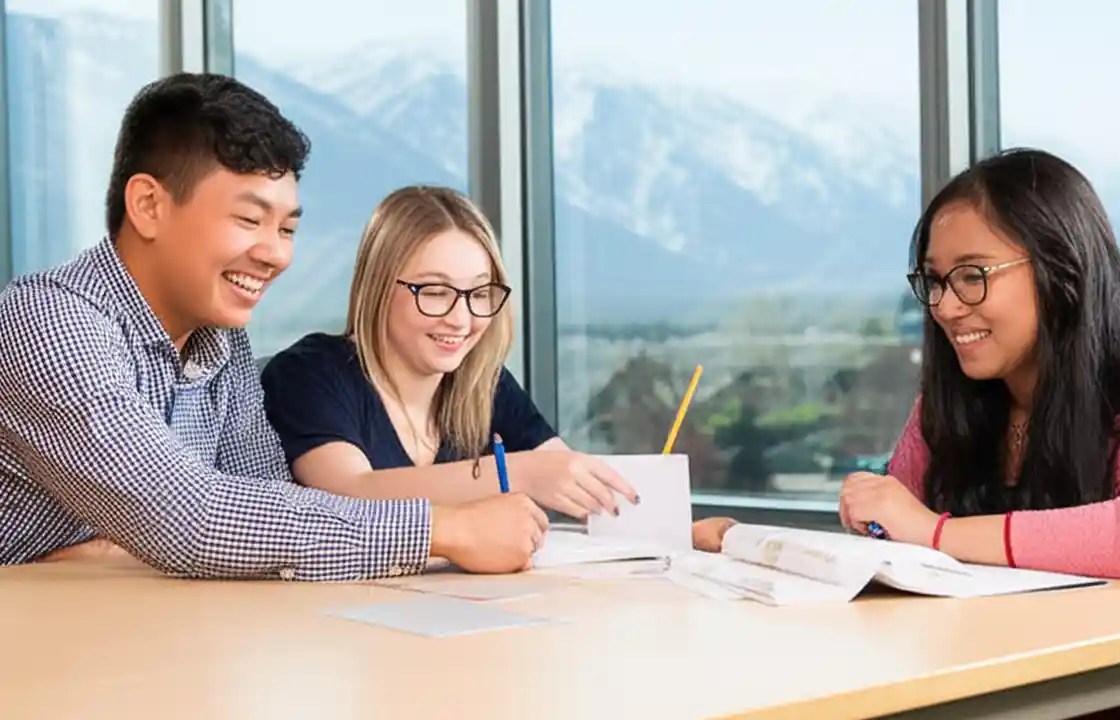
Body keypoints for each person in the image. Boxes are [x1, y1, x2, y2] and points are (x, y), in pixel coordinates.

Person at [0, 73, 548, 579]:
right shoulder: (47, 323)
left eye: (286, 228)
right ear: (148, 206)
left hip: (125, 635)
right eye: (248, 219)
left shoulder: (220, 339)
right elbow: (193, 518)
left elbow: (267, 502)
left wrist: (150, 541)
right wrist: (444, 529)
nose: (275, 254)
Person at [838, 148, 1120, 719]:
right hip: (990, 696)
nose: (945, 306)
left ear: (1061, 266)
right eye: (934, 281)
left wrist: (938, 534)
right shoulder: (954, 398)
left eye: (972, 276)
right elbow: (895, 542)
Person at [260, 185, 736, 551]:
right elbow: (348, 497)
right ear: (379, 288)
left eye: (480, 293)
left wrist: (677, 537)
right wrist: (517, 475)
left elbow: (573, 481)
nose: (462, 319)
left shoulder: (482, 382)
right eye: (435, 291)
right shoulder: (311, 374)